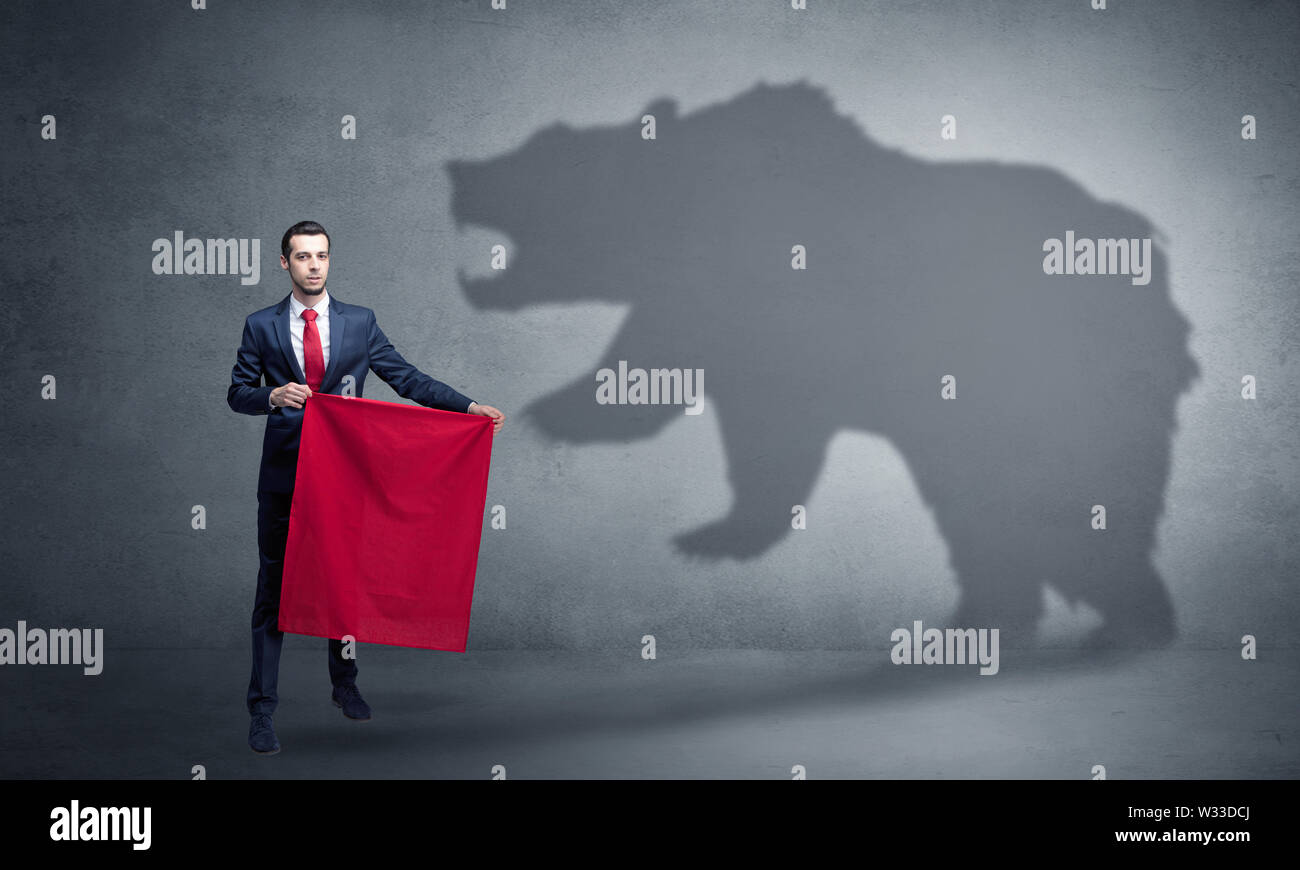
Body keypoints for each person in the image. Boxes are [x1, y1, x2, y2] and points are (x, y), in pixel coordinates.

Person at [227, 220, 505, 755]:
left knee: (344, 584)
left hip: (345, 477)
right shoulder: (260, 325)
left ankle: (345, 685)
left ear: (330, 261)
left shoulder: (359, 322)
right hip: (285, 478)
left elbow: (407, 377)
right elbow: (237, 392)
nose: (314, 264)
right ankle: (262, 712)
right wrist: (271, 396)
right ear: (284, 263)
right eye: (303, 256)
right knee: (273, 592)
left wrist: (467, 406)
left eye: (322, 255)